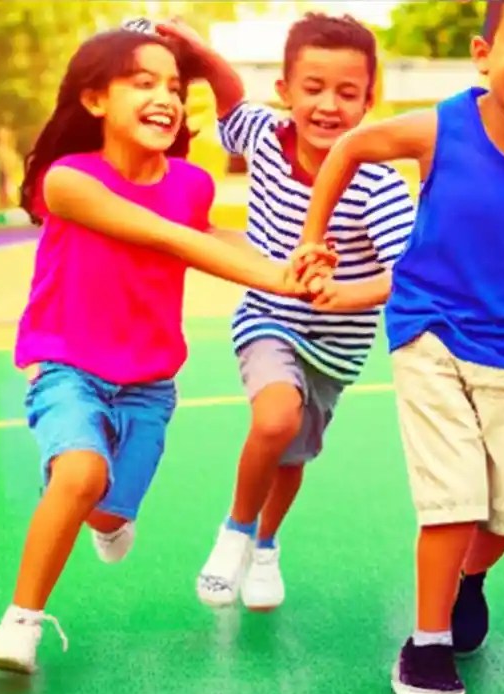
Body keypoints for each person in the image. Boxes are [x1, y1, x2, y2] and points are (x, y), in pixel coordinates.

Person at [0, 24, 333, 675]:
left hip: (148, 385)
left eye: (174, 85)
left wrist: (292, 264)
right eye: (142, 82)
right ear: (93, 100)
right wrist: (276, 278)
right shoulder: (69, 181)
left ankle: (100, 511)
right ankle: (19, 625)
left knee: (106, 506)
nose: (166, 96)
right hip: (68, 368)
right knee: (81, 474)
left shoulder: (192, 184)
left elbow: (213, 235)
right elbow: (168, 238)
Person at [295, 0, 504, 694]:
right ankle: (428, 642)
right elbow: (347, 149)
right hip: (429, 327)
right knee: (454, 498)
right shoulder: (444, 127)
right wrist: (315, 239)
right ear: (483, 52)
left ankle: (470, 579)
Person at [170, 13, 417, 613]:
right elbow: (229, 98)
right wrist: (198, 51)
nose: (328, 105)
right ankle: (234, 531)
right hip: (268, 316)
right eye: (313, 87)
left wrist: (346, 295)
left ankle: (267, 545)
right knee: (276, 418)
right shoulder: (263, 136)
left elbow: (410, 269)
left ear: (368, 101)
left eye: (347, 92)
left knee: (292, 457)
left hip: (336, 348)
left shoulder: (377, 183)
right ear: (285, 91)